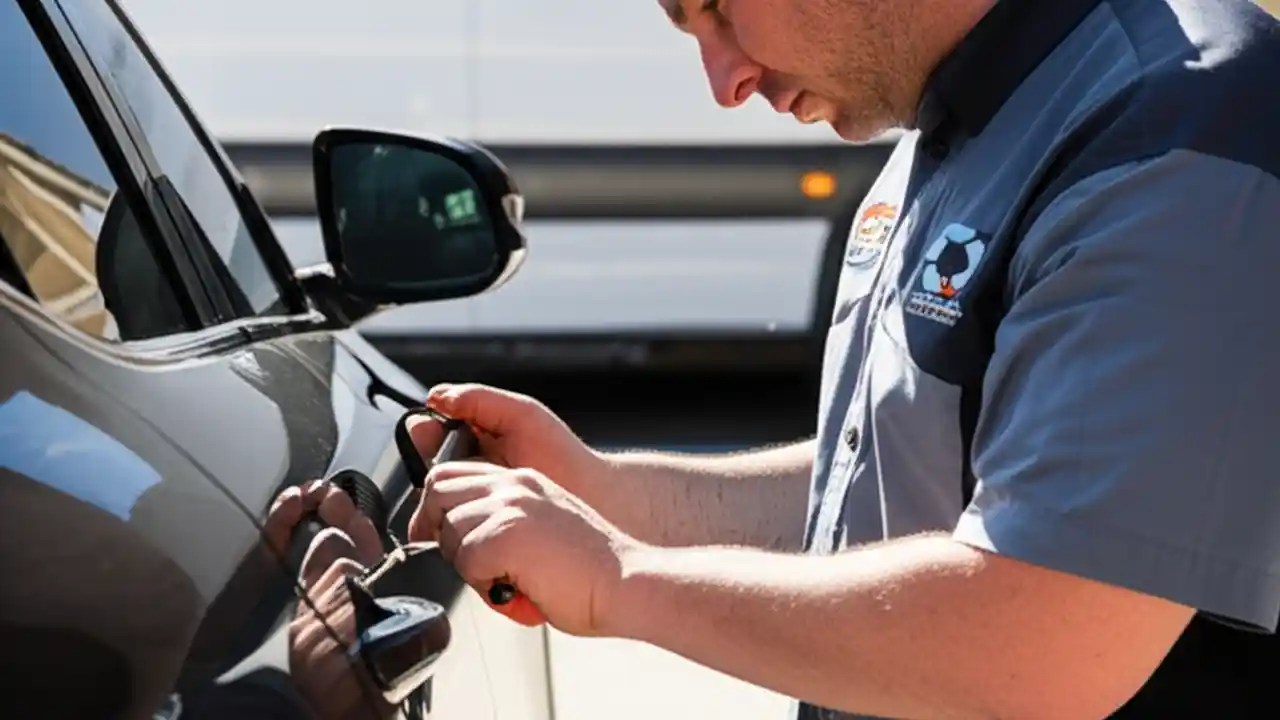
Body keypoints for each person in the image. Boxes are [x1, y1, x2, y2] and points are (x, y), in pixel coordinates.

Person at [404, 1, 1280, 718]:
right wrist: (604, 496)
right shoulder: (971, 102)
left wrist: (618, 579)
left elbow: (1050, 635)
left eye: (717, 10)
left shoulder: (1174, 127)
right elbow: (916, 483)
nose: (724, 81)